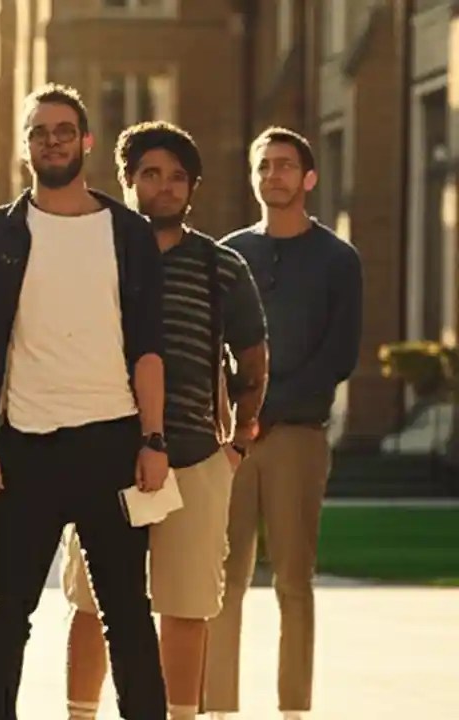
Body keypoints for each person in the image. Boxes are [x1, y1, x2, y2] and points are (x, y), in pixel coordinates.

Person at [0, 83, 168, 720]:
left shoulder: (127, 233)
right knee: (8, 609)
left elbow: (148, 348)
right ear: (26, 148)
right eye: (40, 132)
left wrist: (153, 440)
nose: (53, 141)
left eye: (64, 130)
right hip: (26, 447)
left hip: (113, 445)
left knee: (128, 612)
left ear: (87, 142)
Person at [58, 121, 268, 720]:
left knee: (187, 606)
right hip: (104, 458)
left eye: (178, 177)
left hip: (196, 459)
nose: (166, 186)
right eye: (151, 173)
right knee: (94, 605)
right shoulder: (95, 255)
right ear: (127, 181)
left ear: (192, 188)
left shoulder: (220, 267)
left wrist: (239, 443)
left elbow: (252, 357)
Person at [203, 127, 362, 720]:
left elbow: (339, 354)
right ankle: (218, 707)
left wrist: (265, 407)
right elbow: (211, 345)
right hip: (233, 441)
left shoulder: (338, 259)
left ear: (309, 178)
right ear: (254, 177)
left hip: (297, 435)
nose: (274, 175)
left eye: (286, 166)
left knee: (294, 583)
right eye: (264, 166)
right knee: (224, 581)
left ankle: (293, 710)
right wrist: (238, 416)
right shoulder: (227, 255)